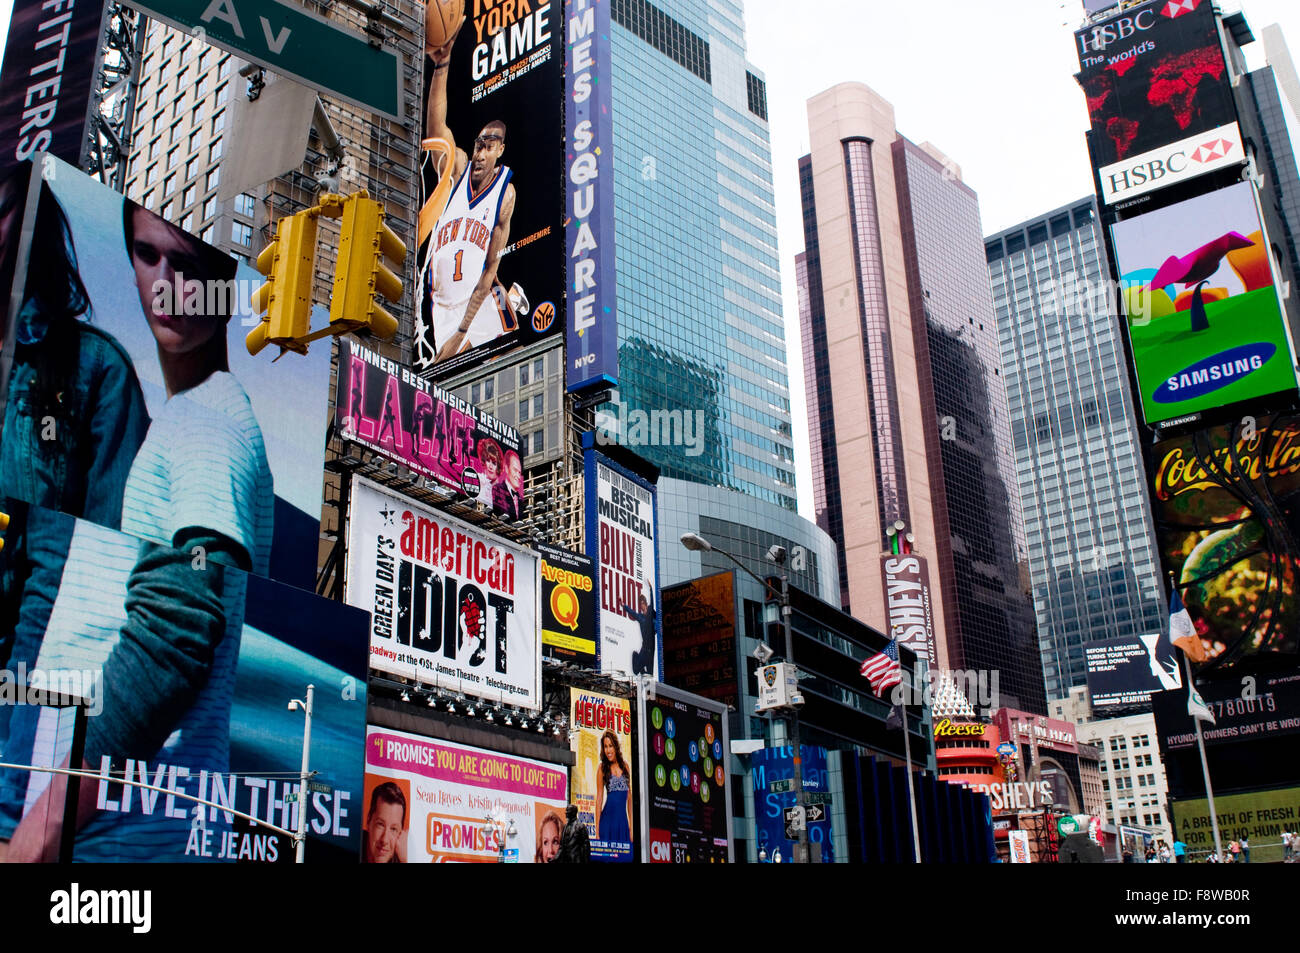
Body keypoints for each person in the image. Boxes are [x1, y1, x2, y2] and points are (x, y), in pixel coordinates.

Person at [3, 199, 269, 861]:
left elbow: (176, 632)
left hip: (114, 845)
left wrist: (37, 834)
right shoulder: (194, 418)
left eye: (186, 263)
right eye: (147, 254)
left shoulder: (205, 427)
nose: (164, 283)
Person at [416, 14, 520, 367]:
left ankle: (514, 305)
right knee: (449, 391)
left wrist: (464, 330)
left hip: (483, 299)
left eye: (489, 145)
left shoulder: (504, 193)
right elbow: (435, 130)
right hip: (443, 304)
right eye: (478, 143)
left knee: (519, 364)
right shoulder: (457, 169)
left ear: (500, 150)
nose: (480, 151)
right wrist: (442, 65)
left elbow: (491, 266)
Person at [595, 730, 632, 849]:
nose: (608, 750)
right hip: (607, 822)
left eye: (610, 746)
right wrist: (597, 831)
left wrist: (632, 826)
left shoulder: (625, 766)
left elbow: (629, 798)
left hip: (622, 823)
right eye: (605, 746)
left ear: (615, 746)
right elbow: (599, 799)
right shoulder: (602, 768)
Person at [363, 783, 407, 863]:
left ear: (400, 834)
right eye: (380, 825)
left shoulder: (402, 858)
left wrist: (405, 860)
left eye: (393, 829)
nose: (384, 840)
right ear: (368, 821)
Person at [621, 586, 658, 677]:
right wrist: (624, 605)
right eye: (640, 604)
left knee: (650, 676)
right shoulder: (640, 617)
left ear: (645, 603)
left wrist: (650, 590)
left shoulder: (652, 618)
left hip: (651, 650)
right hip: (644, 649)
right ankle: (637, 659)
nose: (641, 606)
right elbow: (632, 612)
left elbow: (652, 603)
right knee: (636, 671)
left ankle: (645, 673)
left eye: (643, 603)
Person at [493, 449, 522, 522]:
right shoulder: (497, 489)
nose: (518, 476)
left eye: (519, 472)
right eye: (515, 470)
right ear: (506, 468)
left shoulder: (520, 499)